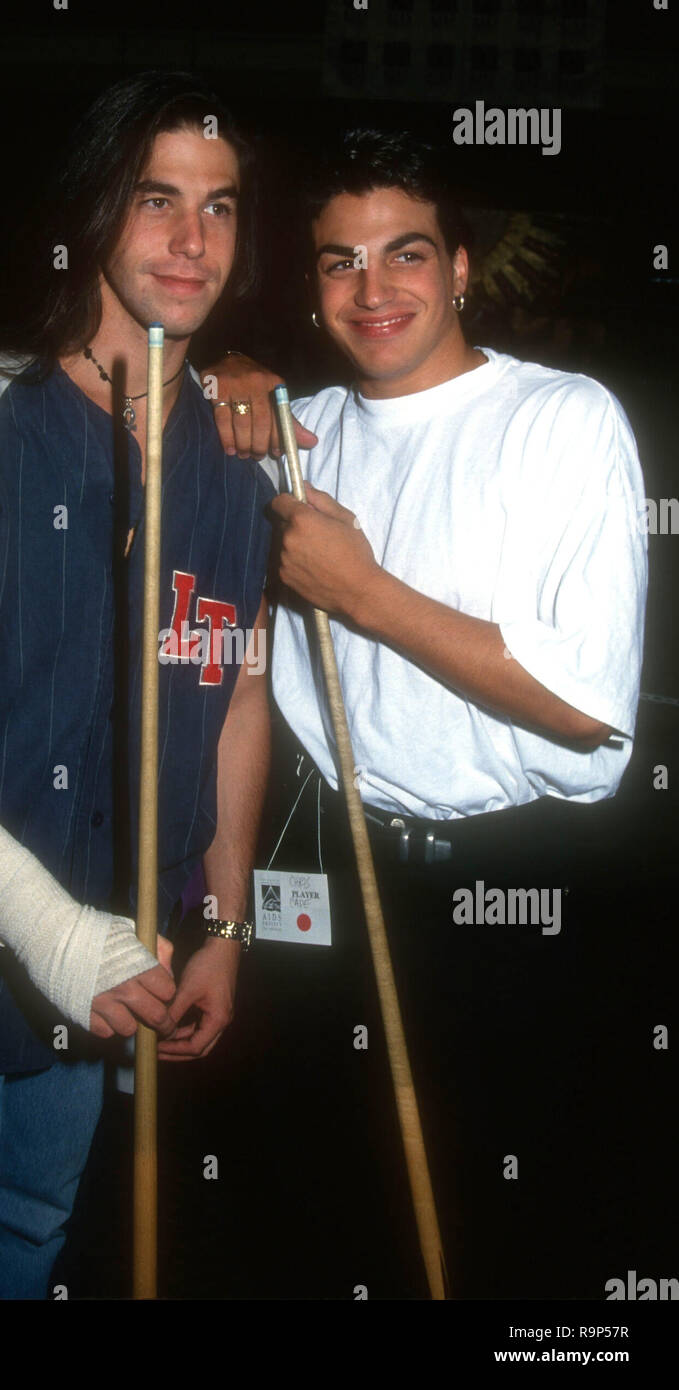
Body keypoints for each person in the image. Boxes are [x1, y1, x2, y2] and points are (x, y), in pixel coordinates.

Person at [0, 71, 273, 1300]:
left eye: (221, 207)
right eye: (154, 200)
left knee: (31, 1241)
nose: (191, 242)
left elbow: (236, 697)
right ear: (88, 211)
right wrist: (46, 927)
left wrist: (225, 925)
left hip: (117, 965)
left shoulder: (244, 455)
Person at [207, 129, 647, 1298]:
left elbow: (587, 715)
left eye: (403, 255)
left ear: (460, 267)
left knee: (519, 1219)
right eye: (338, 263)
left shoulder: (561, 419)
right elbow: (161, 382)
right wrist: (227, 369)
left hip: (515, 889)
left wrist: (361, 593)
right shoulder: (298, 439)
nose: (372, 289)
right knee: (327, 1201)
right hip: (335, 876)